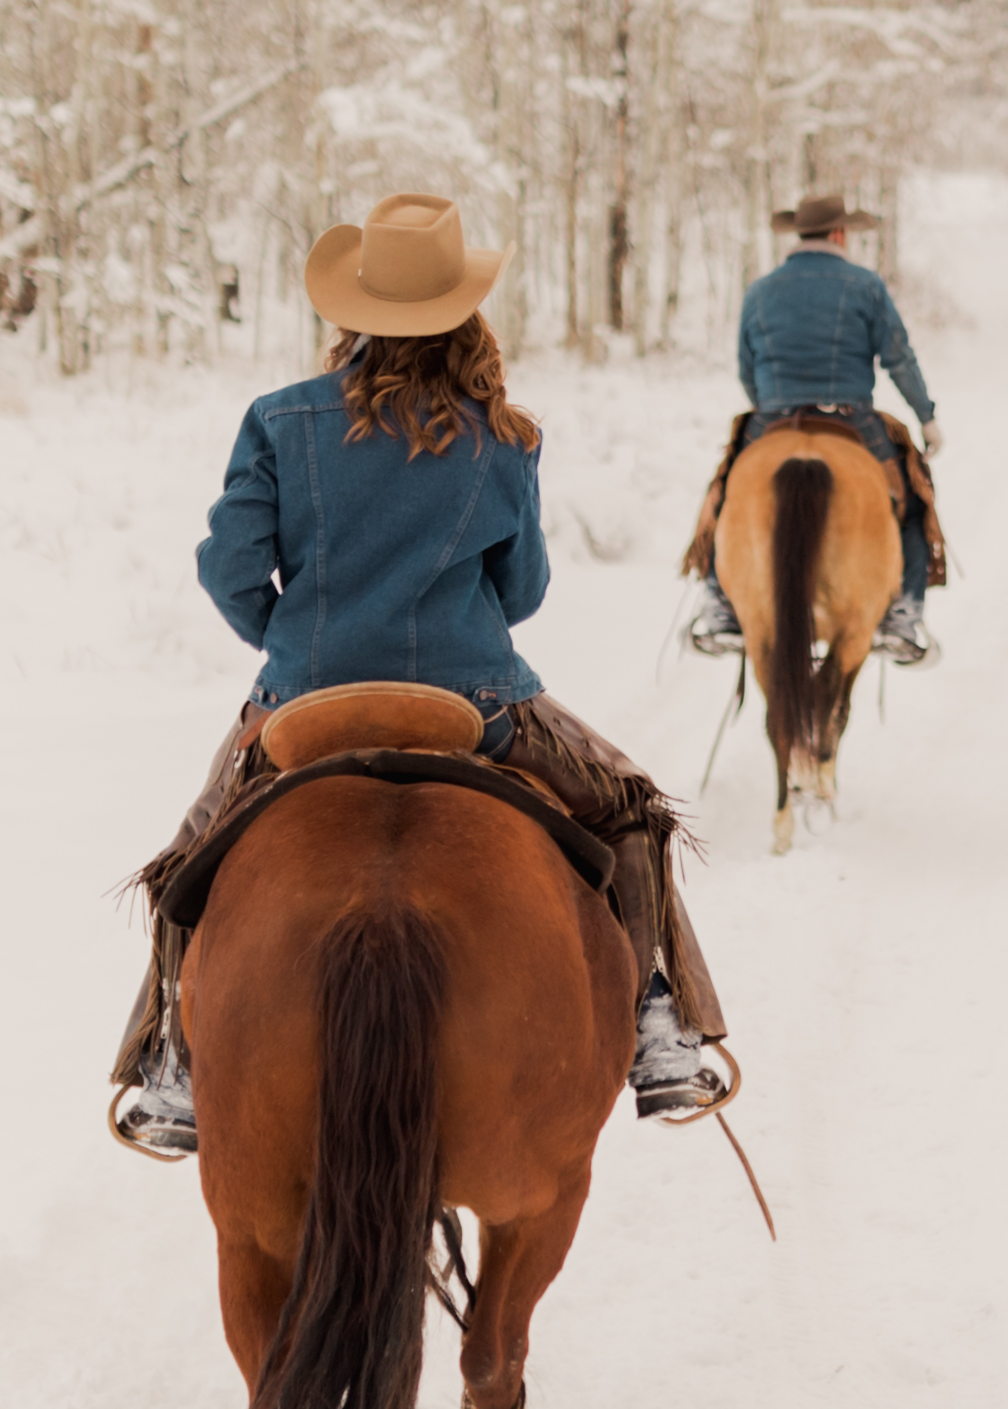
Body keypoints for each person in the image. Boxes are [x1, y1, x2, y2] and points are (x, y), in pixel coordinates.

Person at [113, 191, 726, 1157]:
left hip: (302, 704)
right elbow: (521, 592)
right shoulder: (505, 434)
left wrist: (295, 640)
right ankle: (660, 1028)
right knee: (634, 814)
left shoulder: (278, 420)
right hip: (477, 705)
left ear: (351, 307)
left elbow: (227, 566)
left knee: (189, 860)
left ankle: (173, 1067)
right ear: (462, 308)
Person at [686, 187, 946, 666]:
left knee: (723, 494)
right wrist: (925, 416)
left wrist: (770, 410)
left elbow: (746, 367)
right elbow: (898, 358)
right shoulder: (865, 285)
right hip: (852, 418)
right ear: (841, 232)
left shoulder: (760, 289)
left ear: (800, 233)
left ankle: (719, 605)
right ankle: (904, 614)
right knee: (910, 501)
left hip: (773, 417)